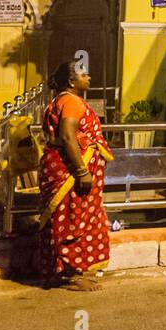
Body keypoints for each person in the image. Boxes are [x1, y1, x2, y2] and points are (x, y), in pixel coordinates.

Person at [37, 61, 113, 290]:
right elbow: (68, 136)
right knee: (72, 220)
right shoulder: (70, 102)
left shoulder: (63, 100)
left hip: (64, 170)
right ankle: (70, 274)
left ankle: (66, 271)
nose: (89, 77)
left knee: (69, 218)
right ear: (71, 82)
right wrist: (82, 172)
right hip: (70, 174)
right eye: (84, 74)